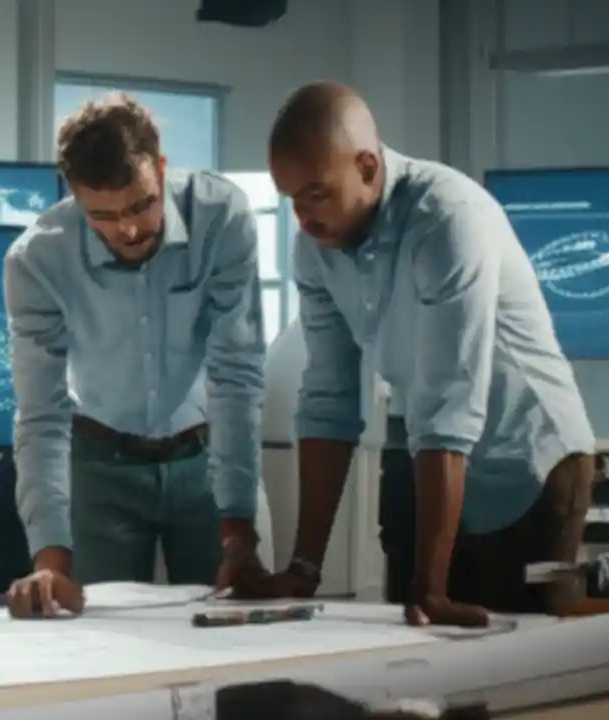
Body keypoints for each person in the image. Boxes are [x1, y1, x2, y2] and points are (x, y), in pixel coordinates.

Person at [234, 80, 597, 626]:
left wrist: (431, 587)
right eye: (289, 199)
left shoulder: (446, 217)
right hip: (426, 441)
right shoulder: (316, 245)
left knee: (516, 649)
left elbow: (450, 399)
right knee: (409, 644)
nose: (302, 219)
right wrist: (303, 569)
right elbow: (329, 399)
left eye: (315, 193)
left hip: (524, 457)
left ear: (367, 166)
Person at [3, 93, 269, 618]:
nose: (127, 229)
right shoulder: (37, 261)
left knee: (237, 629)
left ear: (162, 167)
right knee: (100, 642)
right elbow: (41, 413)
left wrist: (238, 528)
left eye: (141, 205)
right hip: (99, 470)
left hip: (206, 464)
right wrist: (51, 560)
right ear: (73, 195)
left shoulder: (222, 218)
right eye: (102, 215)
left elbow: (235, 374)